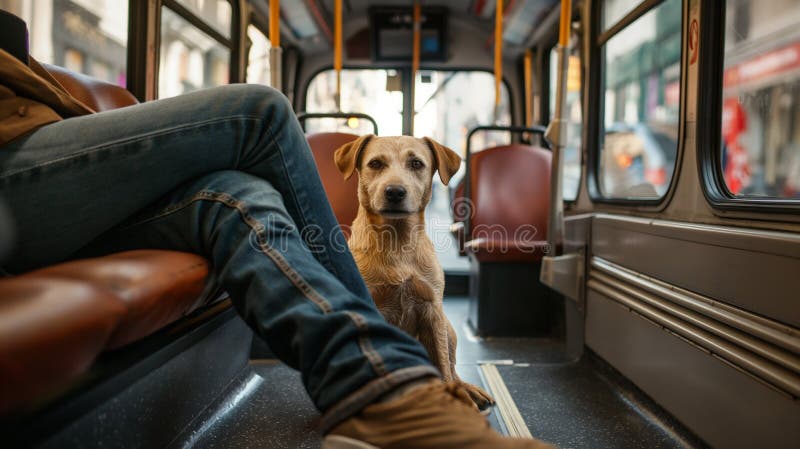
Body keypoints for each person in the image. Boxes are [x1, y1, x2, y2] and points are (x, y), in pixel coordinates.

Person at [0, 43, 554, 448]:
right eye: (379, 166)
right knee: (263, 111)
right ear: (359, 176)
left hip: (33, 135)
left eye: (413, 167)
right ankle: (380, 382)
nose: (396, 181)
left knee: (240, 193)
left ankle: (378, 392)